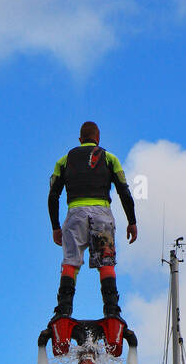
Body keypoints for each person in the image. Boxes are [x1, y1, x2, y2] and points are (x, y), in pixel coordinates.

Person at [48, 122, 137, 321]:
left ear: (80, 140)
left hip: (75, 214)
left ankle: (63, 311)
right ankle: (112, 311)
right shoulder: (109, 158)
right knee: (106, 262)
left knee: (70, 262)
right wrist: (132, 221)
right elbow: (124, 191)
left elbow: (53, 196)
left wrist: (55, 227)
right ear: (98, 138)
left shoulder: (64, 160)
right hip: (102, 215)